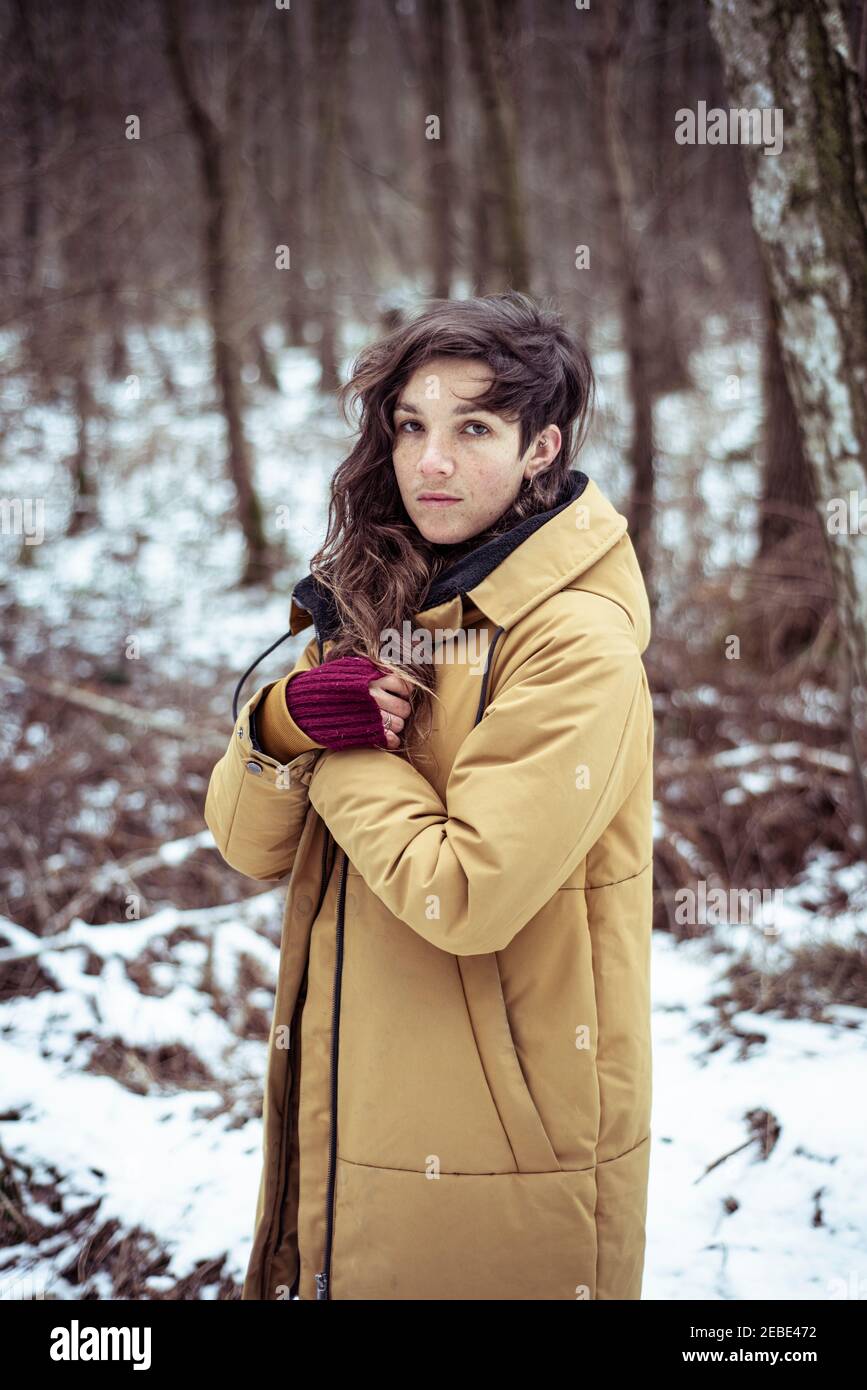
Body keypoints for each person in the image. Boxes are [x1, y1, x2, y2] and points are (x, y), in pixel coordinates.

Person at [204, 289, 655, 1301]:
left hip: (506, 1170)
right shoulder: (388, 591)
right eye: (411, 426)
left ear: (543, 447)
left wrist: (351, 753)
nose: (430, 462)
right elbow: (247, 844)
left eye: (473, 429)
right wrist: (285, 722)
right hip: (355, 1132)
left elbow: (468, 892)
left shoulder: (572, 637)